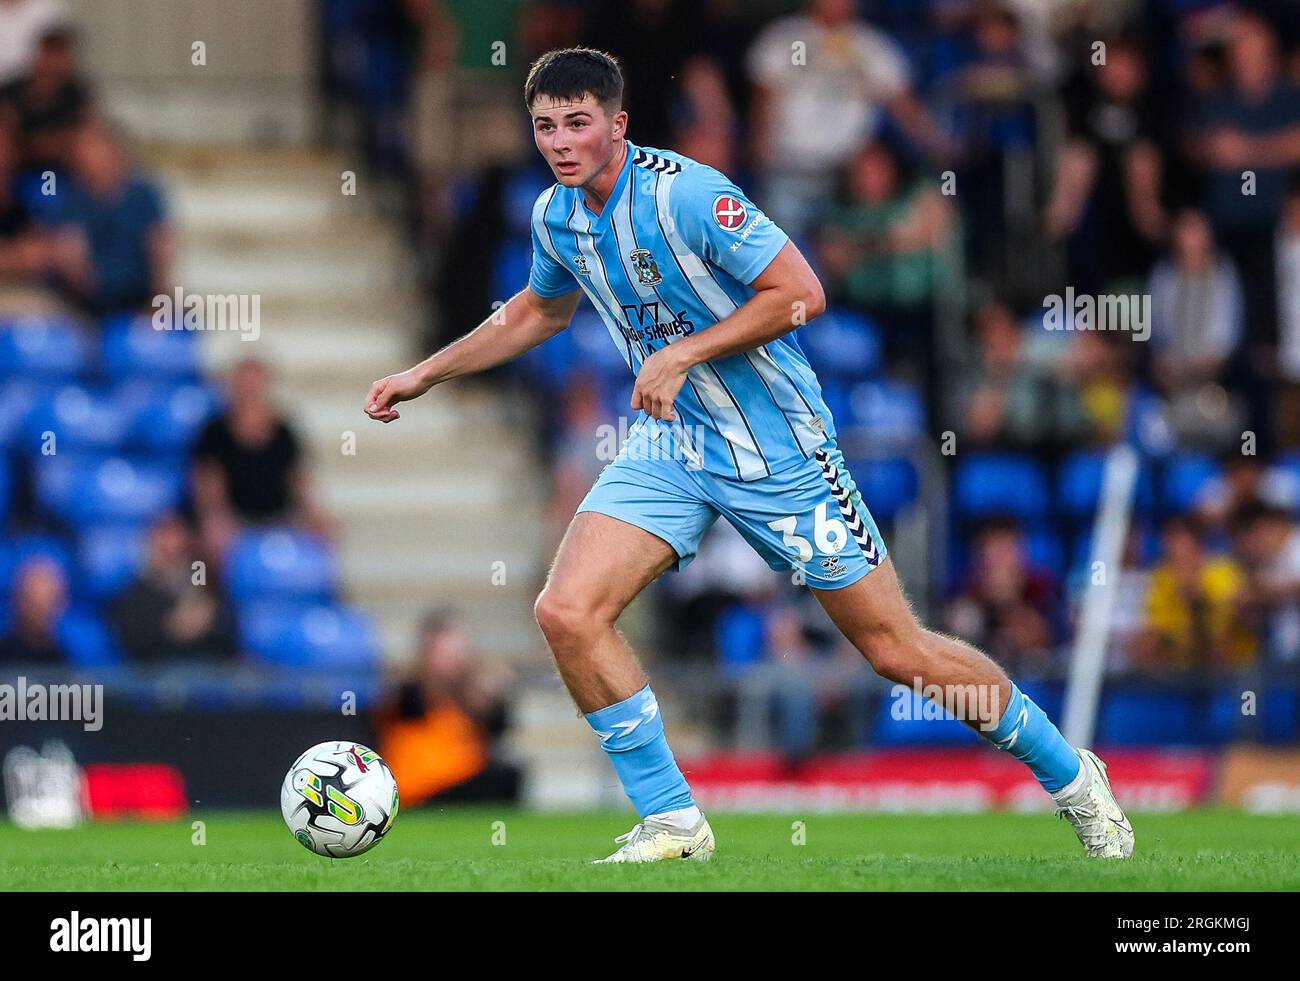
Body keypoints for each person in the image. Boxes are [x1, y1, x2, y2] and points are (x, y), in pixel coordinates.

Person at [364, 48, 1134, 862]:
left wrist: (684, 353)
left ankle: (1073, 776)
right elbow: (535, 313)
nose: (560, 141)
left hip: (778, 450)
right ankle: (673, 821)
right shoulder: (557, 216)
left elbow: (802, 292)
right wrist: (425, 372)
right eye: (546, 126)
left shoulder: (688, 193)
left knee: (897, 651)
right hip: (674, 443)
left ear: (617, 125)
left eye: (578, 123)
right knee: (567, 610)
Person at [376, 608, 519, 806]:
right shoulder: (407, 691)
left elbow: (499, 730)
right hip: (419, 782)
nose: (451, 662)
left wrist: (490, 700)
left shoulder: (472, 695)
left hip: (460, 777)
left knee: (506, 775)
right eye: (443, 653)